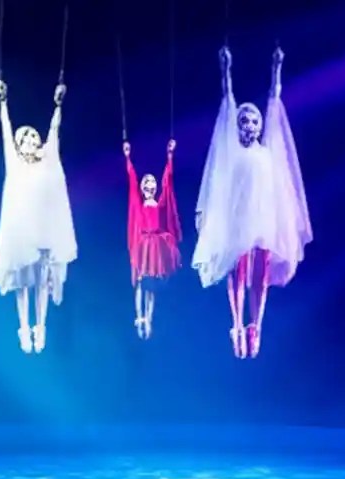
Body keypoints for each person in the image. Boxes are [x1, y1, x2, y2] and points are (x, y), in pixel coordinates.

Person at [192, 46, 311, 359]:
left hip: (262, 221)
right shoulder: (233, 151)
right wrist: (226, 71)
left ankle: (255, 326)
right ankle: (236, 324)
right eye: (244, 121)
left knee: (261, 273)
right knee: (238, 271)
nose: (249, 124)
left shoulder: (266, 152)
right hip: (237, 220)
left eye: (253, 121)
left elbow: (274, 104)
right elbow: (227, 103)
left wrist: (276, 68)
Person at [0, 78, 77, 354]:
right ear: (19, 144)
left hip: (42, 228)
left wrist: (58, 104)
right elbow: (5, 132)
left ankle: (41, 325)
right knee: (22, 281)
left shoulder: (47, 163)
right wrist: (3, 102)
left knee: (42, 278)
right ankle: (23, 327)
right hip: (21, 230)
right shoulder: (14, 164)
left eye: (32, 136)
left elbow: (55, 131)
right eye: (24, 137)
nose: (30, 139)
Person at [124, 138, 182, 339]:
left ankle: (149, 317)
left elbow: (168, 182)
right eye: (146, 182)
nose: (149, 184)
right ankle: (139, 315)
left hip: (155, 246)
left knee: (151, 286)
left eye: (152, 182)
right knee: (141, 281)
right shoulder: (139, 203)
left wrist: (170, 155)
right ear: (142, 186)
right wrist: (128, 158)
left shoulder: (159, 204)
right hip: (143, 246)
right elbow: (131, 183)